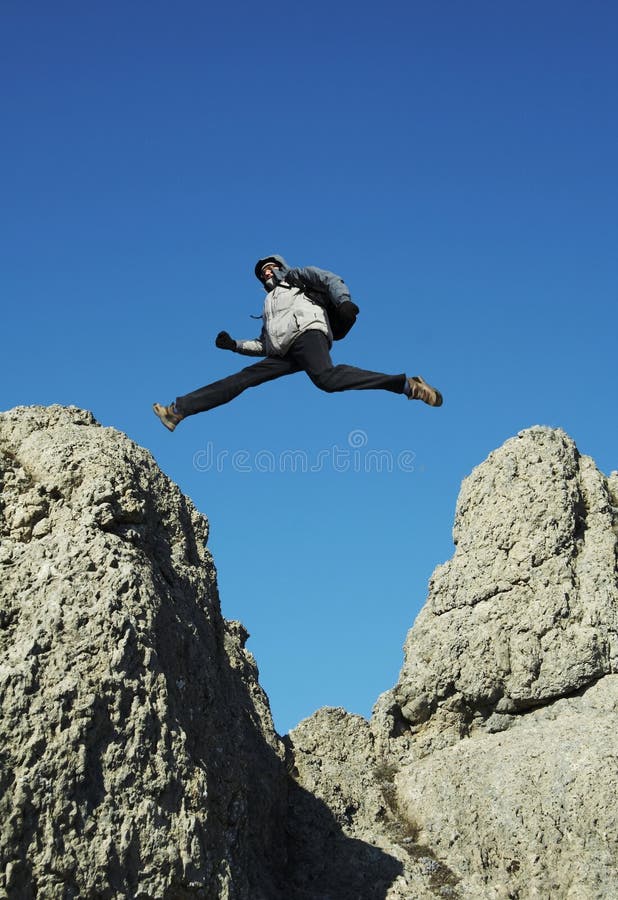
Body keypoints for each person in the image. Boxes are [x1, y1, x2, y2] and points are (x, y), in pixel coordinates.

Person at [153, 254, 443, 431]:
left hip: (308, 333)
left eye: (270, 267)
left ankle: (407, 384)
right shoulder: (268, 304)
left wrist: (344, 302)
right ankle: (178, 410)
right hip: (284, 351)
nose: (266, 272)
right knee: (241, 380)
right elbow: (265, 344)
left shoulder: (296, 278)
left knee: (326, 379)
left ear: (280, 266)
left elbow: (331, 278)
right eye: (262, 272)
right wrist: (235, 345)